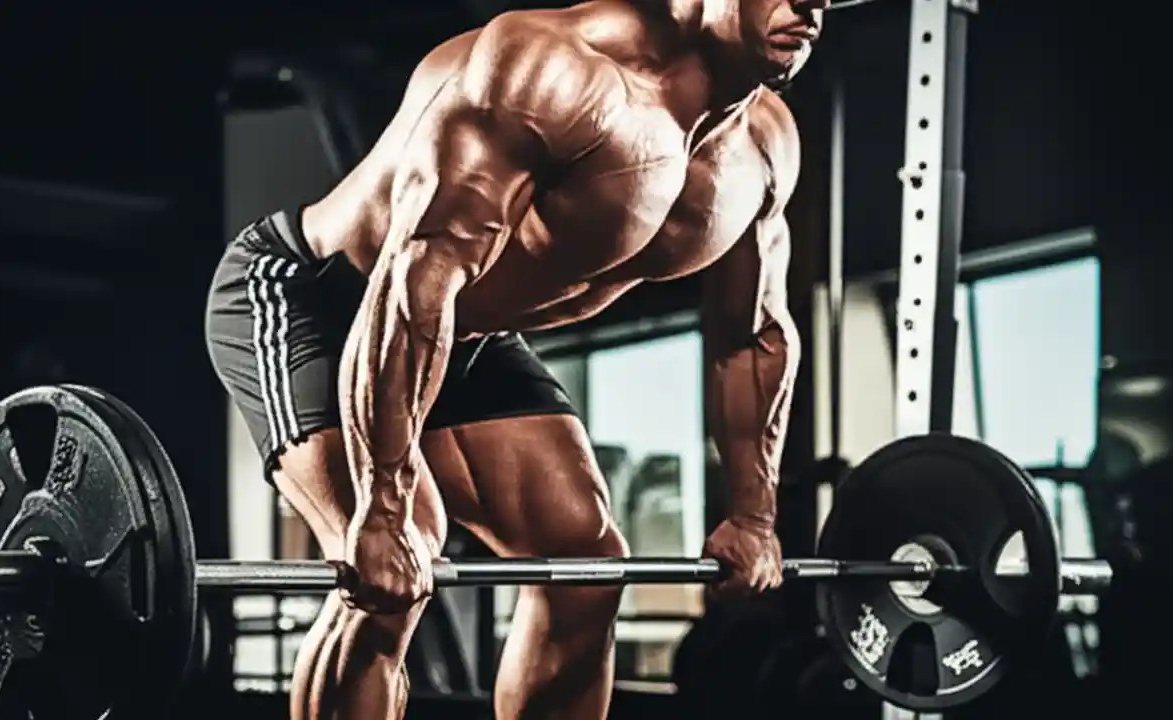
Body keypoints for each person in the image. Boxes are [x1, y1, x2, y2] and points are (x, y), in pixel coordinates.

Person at [205, 0, 825, 717]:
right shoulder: (556, 69)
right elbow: (419, 278)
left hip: (464, 330)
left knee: (588, 566)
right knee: (396, 566)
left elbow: (750, 334)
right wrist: (380, 506)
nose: (810, 5)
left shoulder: (765, 146)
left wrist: (752, 515)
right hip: (317, 298)